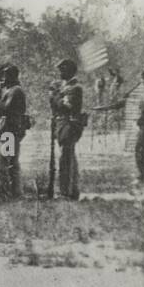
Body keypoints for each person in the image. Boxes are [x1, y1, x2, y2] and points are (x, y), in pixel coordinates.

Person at [49, 58, 86, 200]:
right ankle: (72, 190)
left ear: (70, 70)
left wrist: (55, 96)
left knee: (66, 159)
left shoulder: (74, 88)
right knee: (69, 158)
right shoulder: (64, 87)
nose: (60, 72)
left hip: (69, 125)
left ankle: (65, 192)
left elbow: (66, 106)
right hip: (62, 124)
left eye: (62, 69)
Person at [0, 64, 28, 201]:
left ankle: (5, 195)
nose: (2, 79)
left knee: (0, 164)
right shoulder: (11, 90)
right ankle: (17, 194)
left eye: (4, 75)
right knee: (13, 164)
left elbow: (5, 108)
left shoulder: (15, 91)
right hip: (9, 132)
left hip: (9, 133)